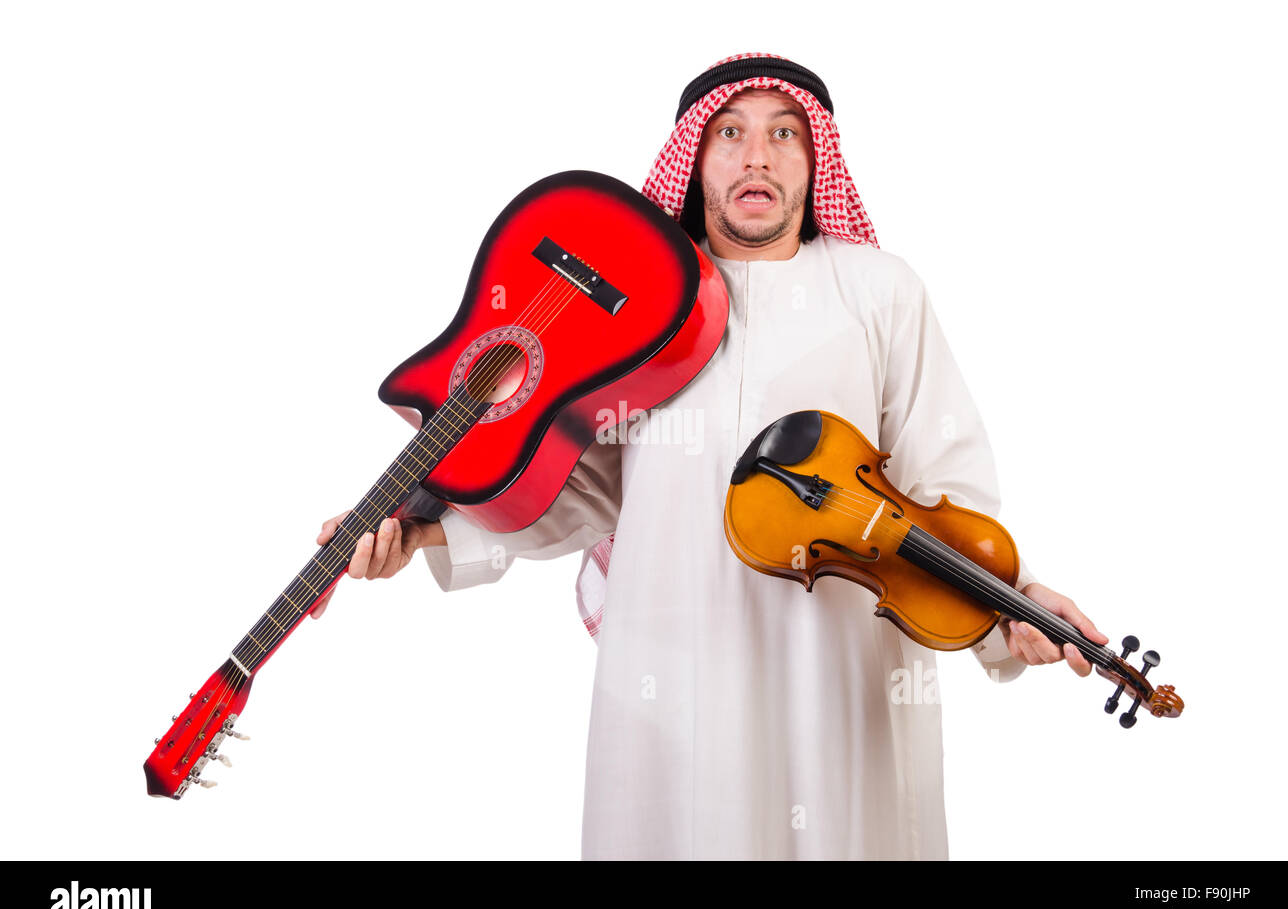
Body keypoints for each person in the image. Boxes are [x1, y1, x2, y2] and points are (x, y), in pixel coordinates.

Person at [311, 52, 1108, 859]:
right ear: (695, 157)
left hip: (839, 680)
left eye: (783, 133)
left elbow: (945, 488)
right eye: (730, 132)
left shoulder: (880, 291)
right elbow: (582, 488)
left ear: (815, 158)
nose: (756, 155)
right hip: (671, 682)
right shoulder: (639, 310)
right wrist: (428, 531)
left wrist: (1009, 604)